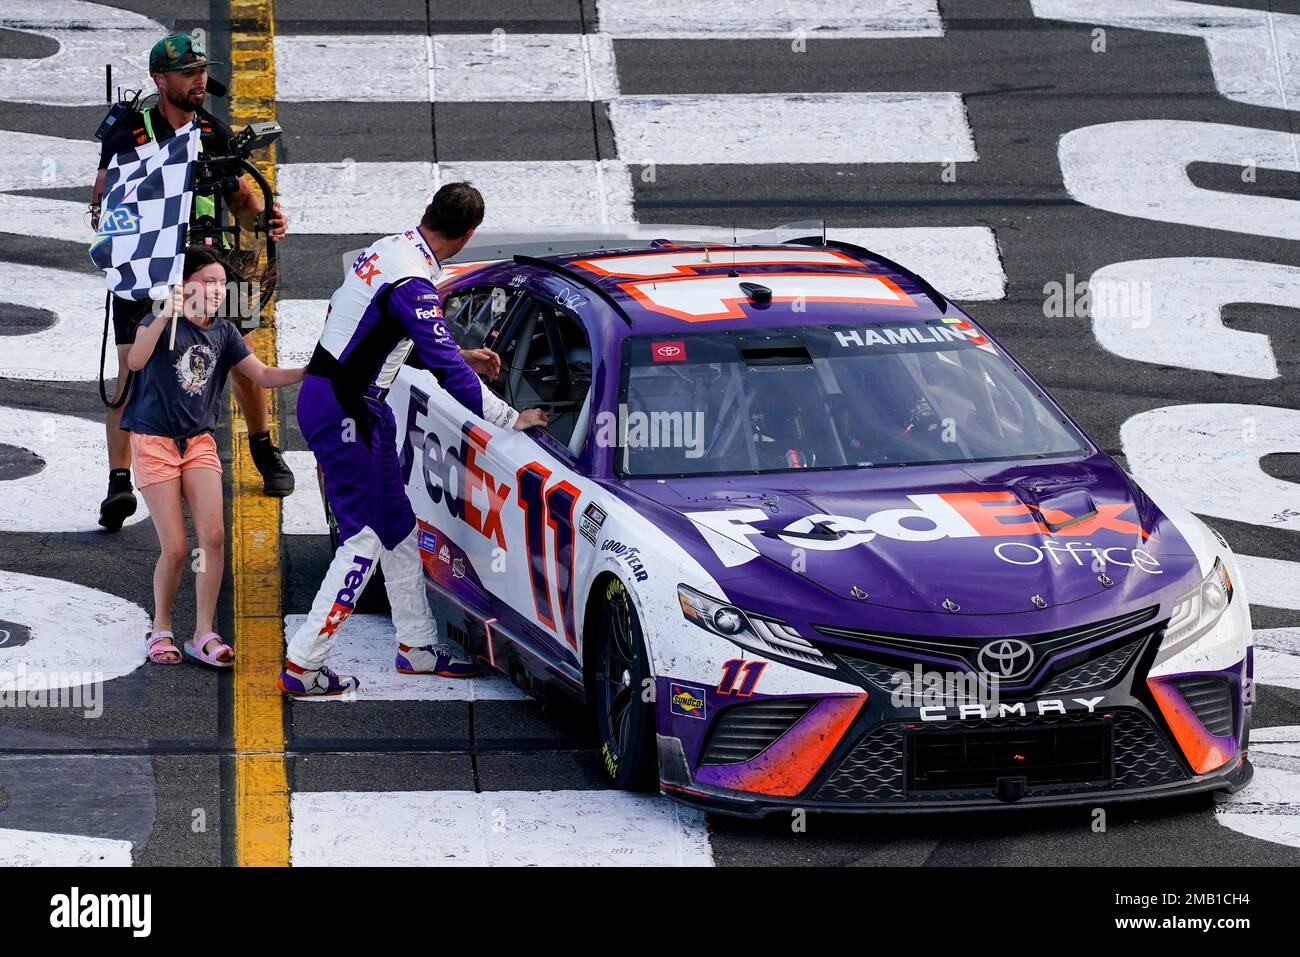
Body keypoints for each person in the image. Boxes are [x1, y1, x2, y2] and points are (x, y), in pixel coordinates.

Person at [280, 182, 548, 696]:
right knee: (362, 537)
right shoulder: (414, 281)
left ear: (428, 212)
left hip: (349, 403)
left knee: (397, 525)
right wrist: (509, 417)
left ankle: (417, 648)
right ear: (468, 235)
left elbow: (381, 335)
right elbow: (443, 364)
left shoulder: (387, 249)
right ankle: (303, 664)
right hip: (346, 409)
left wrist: (460, 355)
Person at [95, 33, 294, 532]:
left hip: (218, 258)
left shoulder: (213, 131)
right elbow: (103, 200)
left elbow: (244, 202)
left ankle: (263, 448)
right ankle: (120, 480)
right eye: (188, 72)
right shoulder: (128, 134)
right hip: (152, 265)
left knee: (245, 361)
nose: (200, 79)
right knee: (130, 370)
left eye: (202, 70)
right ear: (160, 80)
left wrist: (269, 218)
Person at [124, 247, 305, 668]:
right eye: (207, 281)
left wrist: (308, 369)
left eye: (222, 283)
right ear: (182, 284)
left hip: (198, 443)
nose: (217, 290)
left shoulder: (223, 332)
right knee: (175, 547)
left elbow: (261, 375)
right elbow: (134, 361)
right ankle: (162, 627)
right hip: (154, 443)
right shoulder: (160, 320)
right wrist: (163, 313)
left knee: (215, 538)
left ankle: (203, 632)